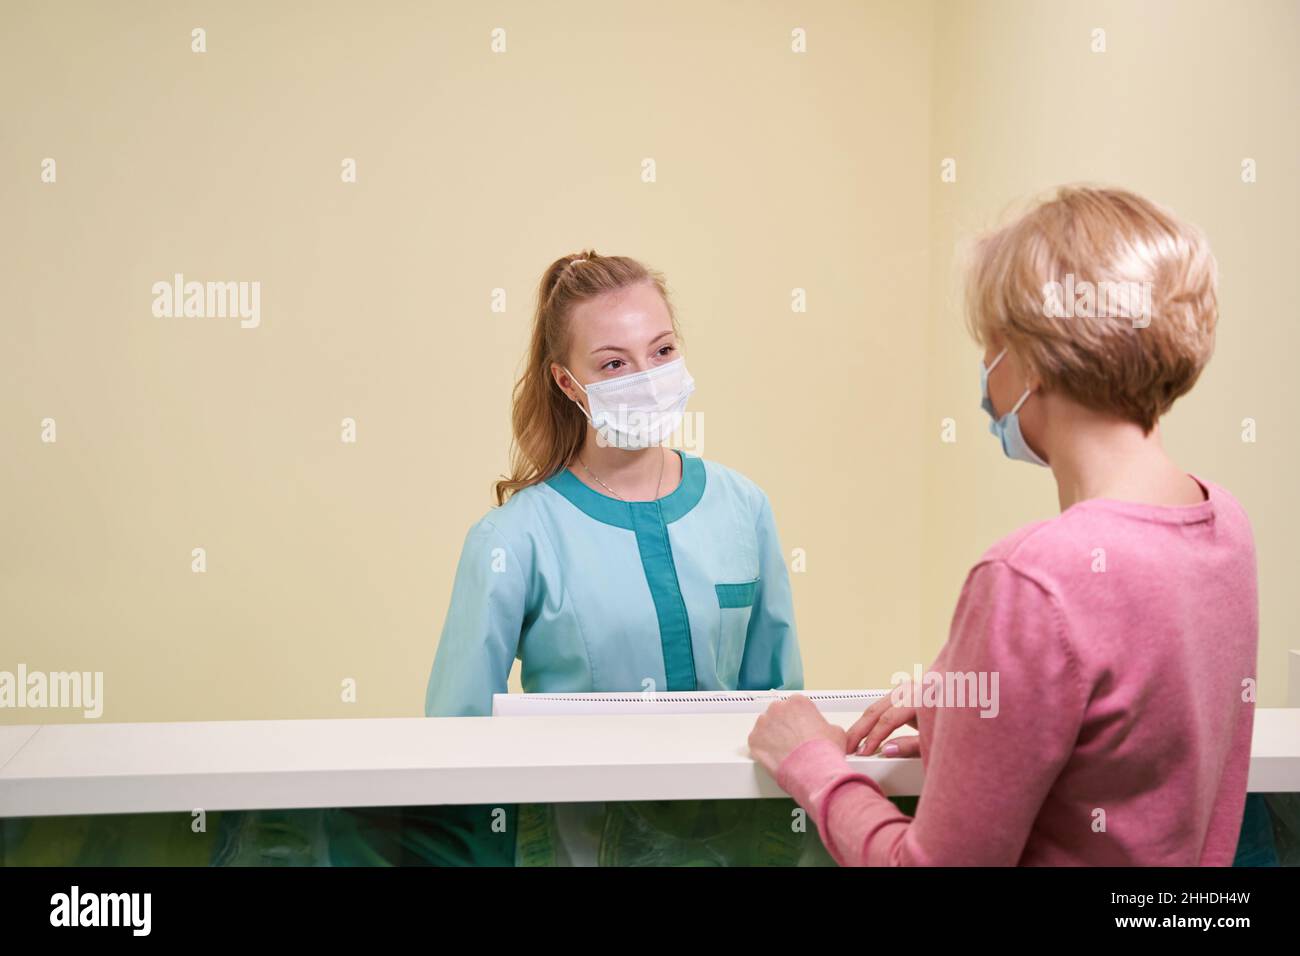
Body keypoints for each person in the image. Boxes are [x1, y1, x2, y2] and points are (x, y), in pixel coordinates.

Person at [748, 186, 1259, 866]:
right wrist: (987, 707)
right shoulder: (1225, 523)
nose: (985, 374)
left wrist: (810, 762)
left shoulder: (1033, 577)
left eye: (991, 346)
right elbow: (1128, 735)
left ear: (1034, 357)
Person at [425, 250, 806, 865]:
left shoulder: (744, 508)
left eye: (661, 351)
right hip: (578, 847)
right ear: (566, 382)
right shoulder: (513, 539)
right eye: (613, 363)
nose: (647, 376)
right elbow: (455, 749)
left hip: (733, 846)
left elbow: (781, 710)